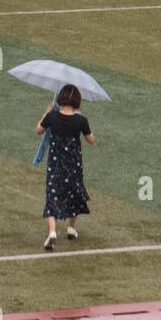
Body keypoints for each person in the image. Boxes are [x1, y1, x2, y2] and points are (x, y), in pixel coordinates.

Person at [37, 84, 95, 251]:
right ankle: (71, 228)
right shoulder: (81, 120)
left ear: (60, 98)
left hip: (55, 166)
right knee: (74, 195)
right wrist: (84, 126)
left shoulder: (52, 117)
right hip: (74, 167)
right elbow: (91, 140)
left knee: (52, 197)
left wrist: (46, 113)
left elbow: (39, 130)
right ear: (77, 101)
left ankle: (53, 231)